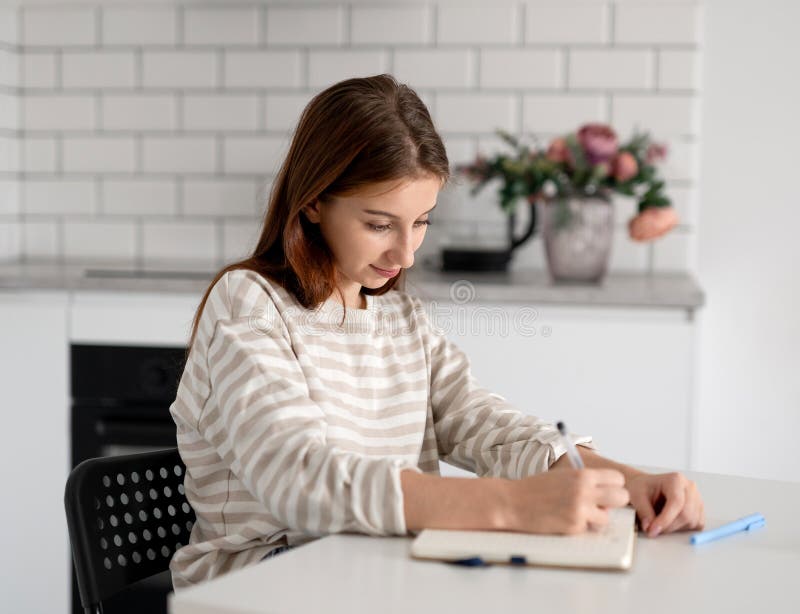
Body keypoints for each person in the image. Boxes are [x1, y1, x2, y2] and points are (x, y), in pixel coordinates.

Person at [168, 74, 704, 588]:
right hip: (266, 584)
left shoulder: (400, 317)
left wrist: (622, 481)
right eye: (379, 224)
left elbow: (482, 424)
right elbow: (301, 480)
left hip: (378, 569)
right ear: (312, 200)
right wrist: (513, 506)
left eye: (421, 221)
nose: (405, 253)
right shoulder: (248, 304)